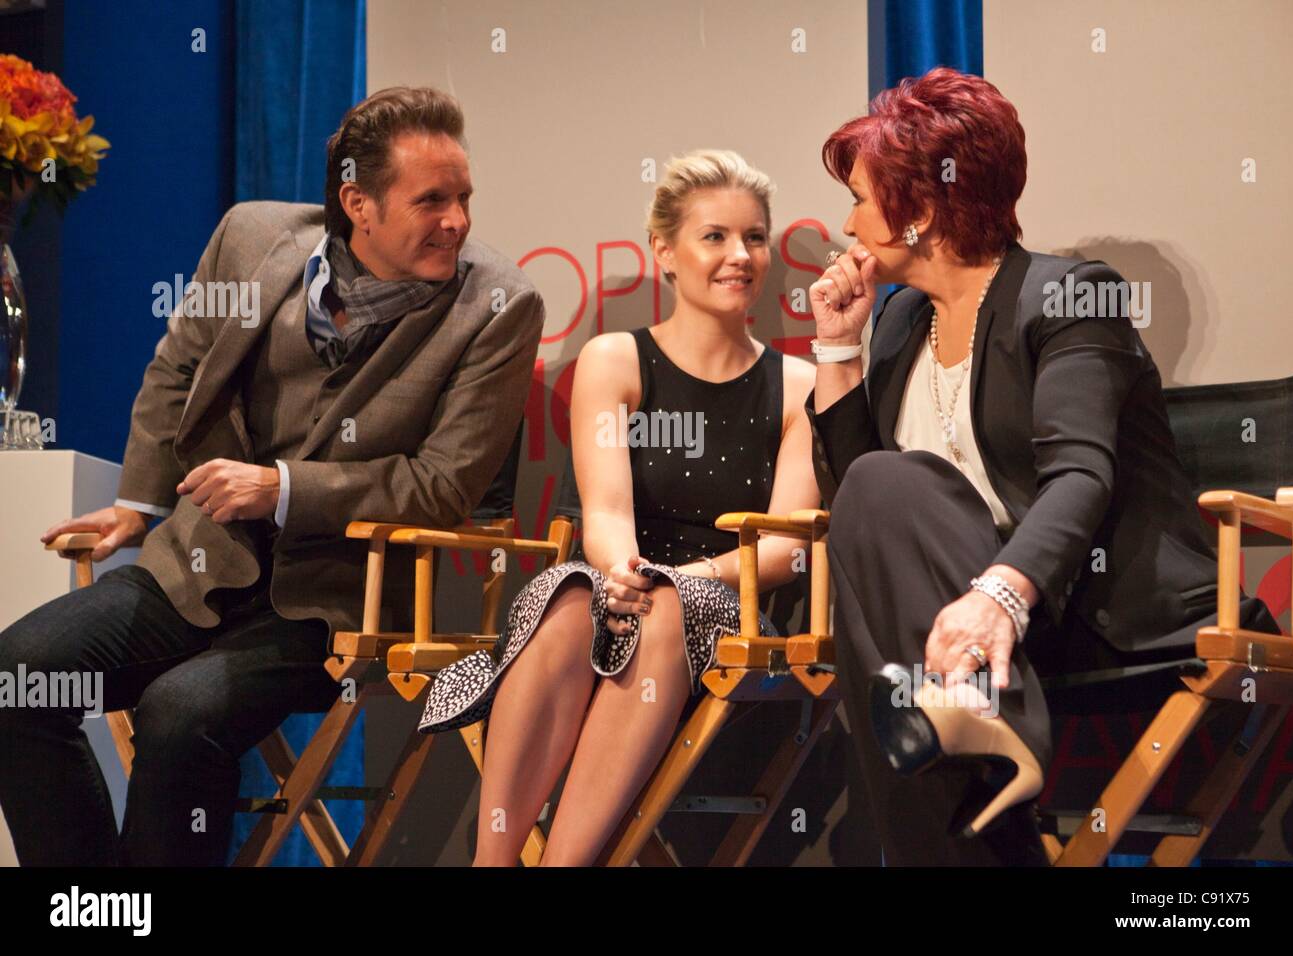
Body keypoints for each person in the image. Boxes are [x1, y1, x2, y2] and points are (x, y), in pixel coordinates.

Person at [0, 86, 545, 866]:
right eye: (432, 200)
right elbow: (178, 365)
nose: (457, 221)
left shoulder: (499, 305)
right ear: (358, 201)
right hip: (199, 565)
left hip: (336, 599)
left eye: (464, 198)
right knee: (17, 678)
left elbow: (441, 485)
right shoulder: (252, 237)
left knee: (180, 712)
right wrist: (137, 503)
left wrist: (281, 488)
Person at [805, 67, 1277, 866]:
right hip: (956, 643)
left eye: (860, 197)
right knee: (884, 493)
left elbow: (1080, 474)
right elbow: (862, 500)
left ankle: (982, 719)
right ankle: (978, 717)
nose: (846, 222)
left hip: (1094, 615)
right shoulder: (896, 326)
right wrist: (838, 348)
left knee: (904, 682)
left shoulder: (1069, 298)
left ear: (919, 211)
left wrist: (998, 598)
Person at [418, 149, 822, 866]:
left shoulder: (799, 387)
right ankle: (492, 861)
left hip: (725, 601)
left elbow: (787, 547)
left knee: (671, 604)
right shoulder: (614, 360)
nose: (740, 256)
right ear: (664, 251)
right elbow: (603, 512)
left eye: (755, 237)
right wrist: (624, 569)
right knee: (567, 593)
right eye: (715, 237)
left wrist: (688, 575)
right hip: (616, 576)